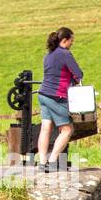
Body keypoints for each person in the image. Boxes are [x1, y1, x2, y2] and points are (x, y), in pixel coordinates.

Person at [37, 27, 83, 172]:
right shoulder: (65, 54)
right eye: (71, 41)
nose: (72, 44)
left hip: (43, 94)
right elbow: (78, 73)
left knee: (46, 128)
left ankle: (42, 162)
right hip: (56, 97)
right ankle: (52, 162)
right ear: (65, 40)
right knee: (67, 130)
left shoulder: (48, 55)